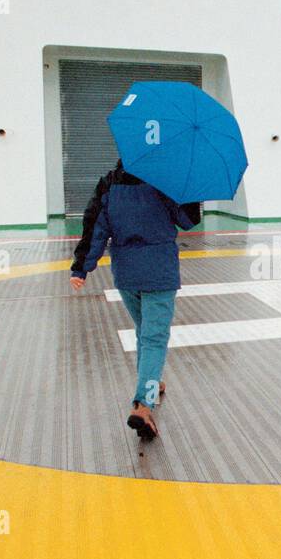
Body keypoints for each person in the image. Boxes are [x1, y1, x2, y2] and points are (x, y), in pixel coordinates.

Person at [70, 162, 200, 441]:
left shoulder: (110, 183)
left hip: (126, 273)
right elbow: (189, 220)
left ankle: (151, 380)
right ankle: (144, 404)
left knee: (144, 331)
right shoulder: (165, 179)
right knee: (154, 338)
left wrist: (81, 267)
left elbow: (95, 226)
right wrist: (189, 189)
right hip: (159, 273)